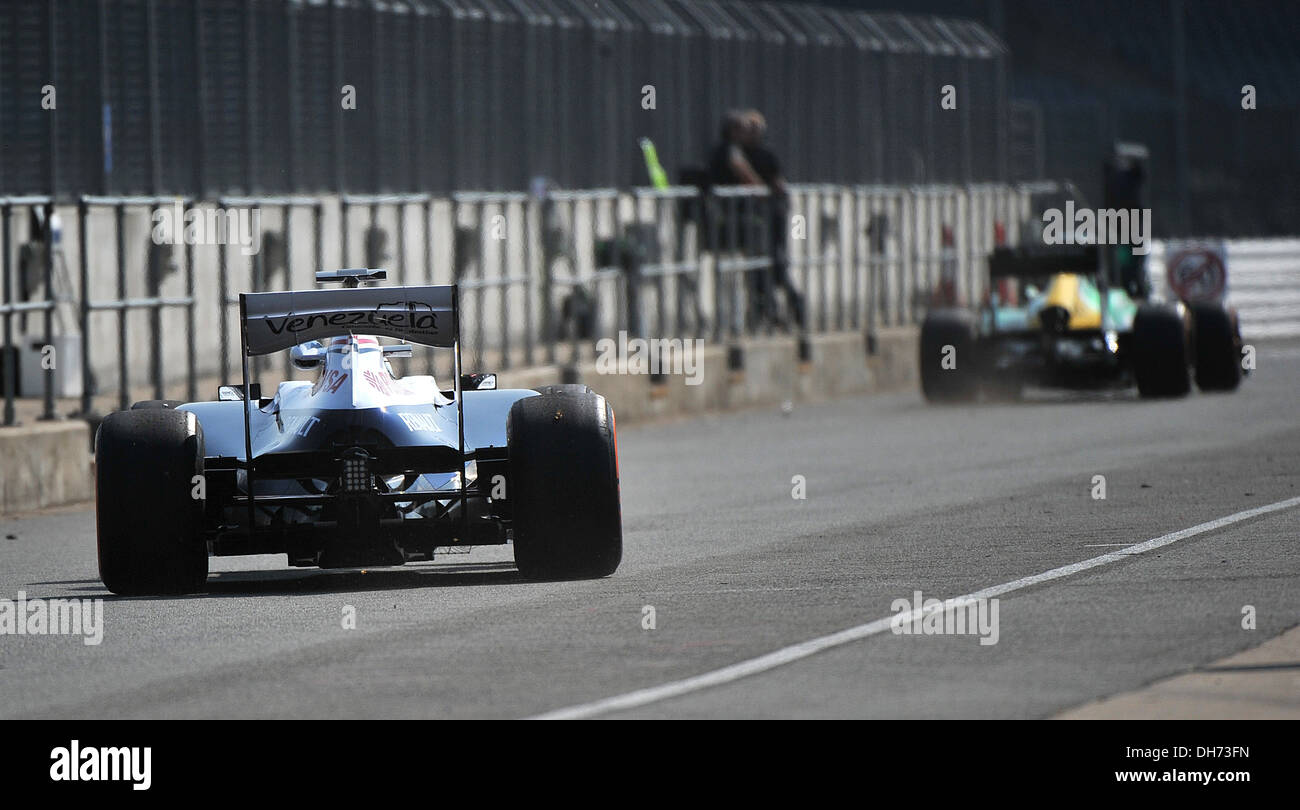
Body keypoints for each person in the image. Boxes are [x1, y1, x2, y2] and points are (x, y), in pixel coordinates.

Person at [739, 109, 804, 331]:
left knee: (776, 263)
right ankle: (765, 311)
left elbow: (778, 184)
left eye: (753, 129)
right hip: (755, 218)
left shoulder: (765, 155)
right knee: (758, 267)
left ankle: (794, 305)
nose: (750, 133)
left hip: (773, 216)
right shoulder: (740, 154)